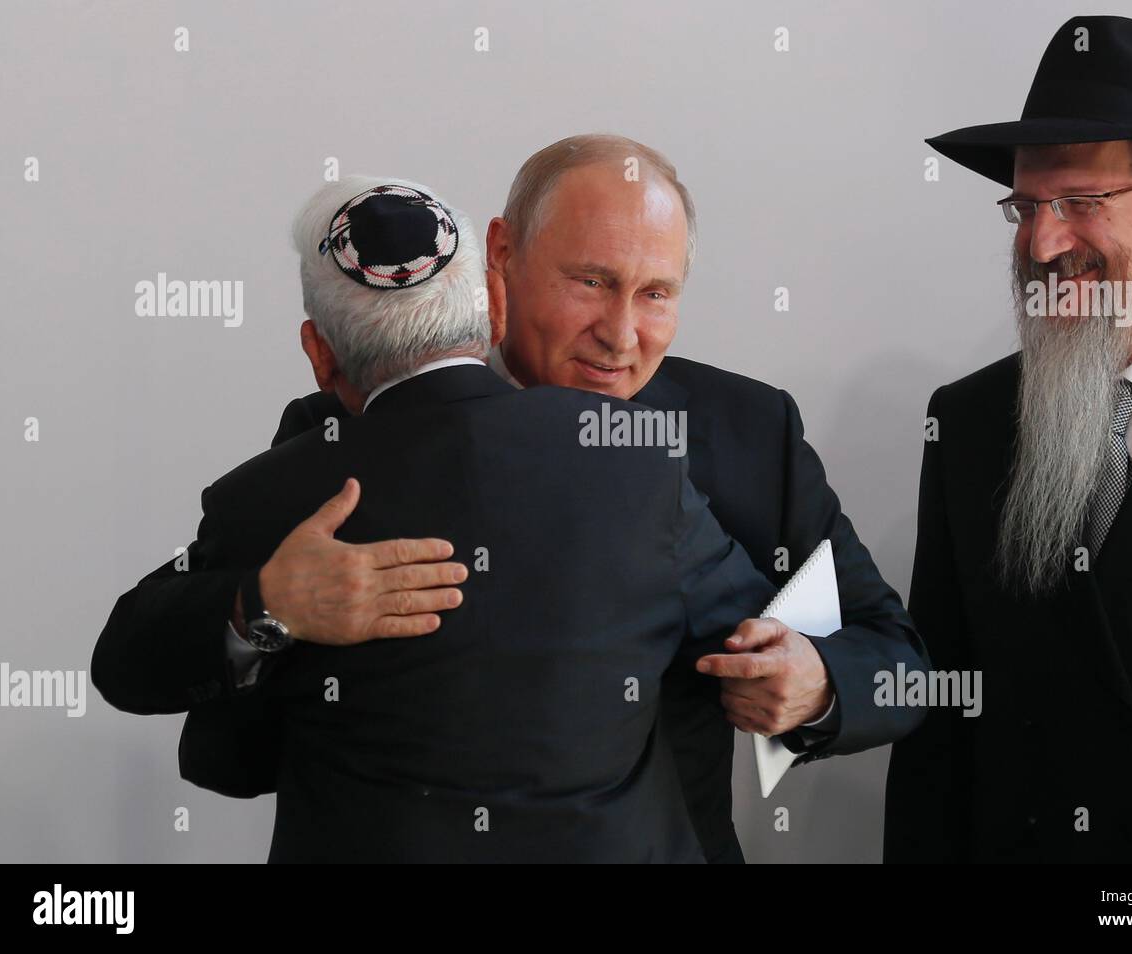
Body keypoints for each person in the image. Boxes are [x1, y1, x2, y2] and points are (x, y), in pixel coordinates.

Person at [97, 135, 928, 863]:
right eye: (592, 281)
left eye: (657, 293)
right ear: (499, 260)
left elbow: (899, 662)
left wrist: (818, 687)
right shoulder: (331, 433)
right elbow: (138, 650)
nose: (622, 332)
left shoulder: (748, 429)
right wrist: (264, 607)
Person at [885, 16, 1132, 862]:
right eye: (1026, 207)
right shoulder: (968, 423)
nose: (1041, 243)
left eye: (1080, 203)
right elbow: (943, 728)